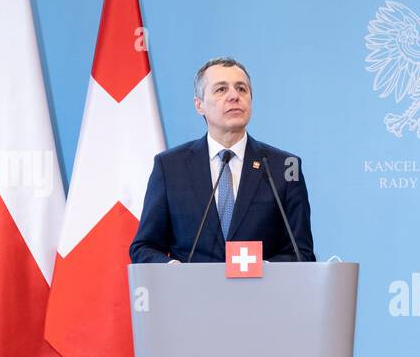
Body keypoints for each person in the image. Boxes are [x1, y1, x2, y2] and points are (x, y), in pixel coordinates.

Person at [130, 57, 315, 263]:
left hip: (259, 293)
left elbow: (302, 254)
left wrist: (266, 271)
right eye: (221, 89)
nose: (234, 96)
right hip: (192, 293)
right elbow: (144, 248)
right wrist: (175, 272)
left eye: (242, 89)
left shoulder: (284, 167)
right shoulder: (170, 167)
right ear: (199, 105)